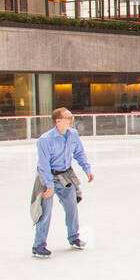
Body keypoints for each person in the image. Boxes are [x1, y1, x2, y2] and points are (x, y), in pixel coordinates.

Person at [30, 108, 95, 258]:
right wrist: (49, 186)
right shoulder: (45, 140)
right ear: (58, 121)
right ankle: (38, 245)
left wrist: (87, 169)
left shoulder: (73, 134)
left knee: (72, 207)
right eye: (68, 118)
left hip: (65, 176)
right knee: (45, 213)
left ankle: (74, 237)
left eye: (72, 117)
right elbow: (43, 165)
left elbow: (79, 152)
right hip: (47, 178)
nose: (72, 120)